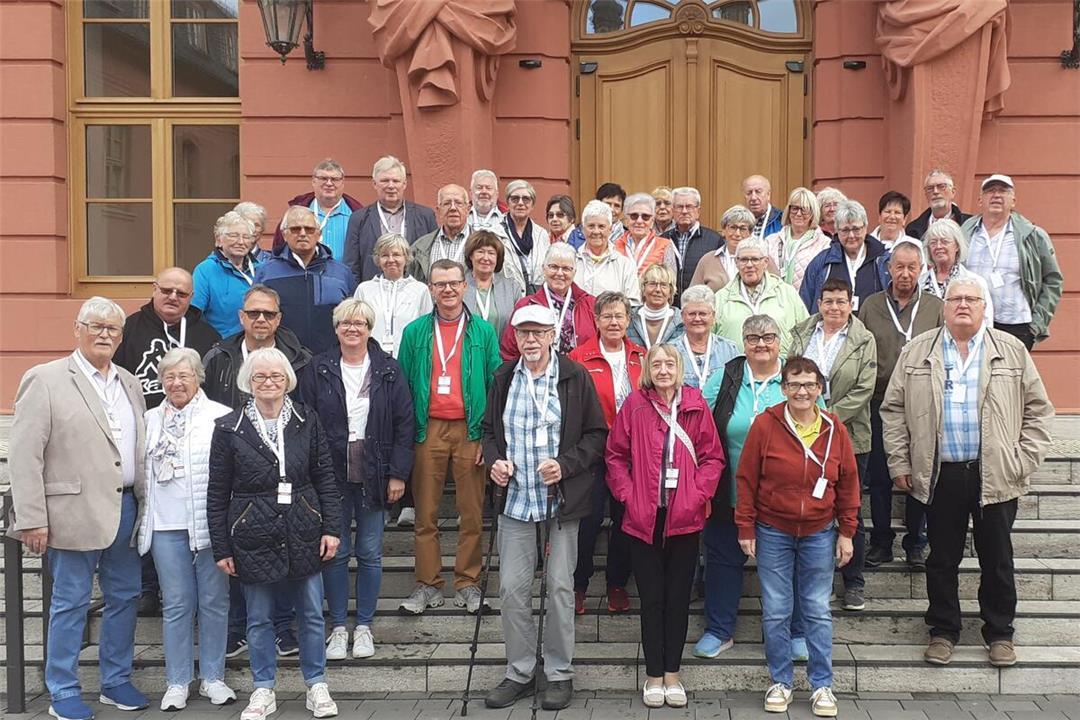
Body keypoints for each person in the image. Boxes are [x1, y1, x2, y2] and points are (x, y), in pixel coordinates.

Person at [881, 279, 1053, 668]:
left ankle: (1000, 634)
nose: (962, 305)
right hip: (940, 473)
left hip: (995, 473)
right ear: (944, 306)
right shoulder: (917, 351)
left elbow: (1039, 411)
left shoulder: (1011, 351)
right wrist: (901, 462)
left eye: (971, 299)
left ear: (983, 306)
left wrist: (1021, 460)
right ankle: (943, 631)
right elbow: (892, 410)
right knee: (941, 557)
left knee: (997, 558)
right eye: (955, 298)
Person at [8, 297, 149, 720]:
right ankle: (63, 688)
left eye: (113, 329)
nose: (105, 334)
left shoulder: (129, 381)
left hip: (125, 508)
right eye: (96, 326)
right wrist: (31, 517)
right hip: (71, 512)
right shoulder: (46, 378)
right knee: (69, 602)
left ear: (121, 336)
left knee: (124, 597)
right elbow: (25, 454)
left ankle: (115, 680)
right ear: (78, 328)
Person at [482, 305, 609, 711]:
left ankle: (559, 672)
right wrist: (494, 460)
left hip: (560, 501)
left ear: (554, 334)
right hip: (515, 500)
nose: (531, 341)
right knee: (511, 588)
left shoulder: (575, 376)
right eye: (524, 334)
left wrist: (566, 464)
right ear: (515, 338)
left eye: (538, 333)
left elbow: (596, 435)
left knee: (558, 587)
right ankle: (520, 670)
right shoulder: (503, 376)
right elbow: (487, 431)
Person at [207, 348, 342, 720]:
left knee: (312, 614)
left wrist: (331, 526)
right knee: (259, 618)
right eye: (260, 377)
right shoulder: (228, 427)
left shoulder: (306, 419)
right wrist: (222, 546)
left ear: (288, 381)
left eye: (276, 377)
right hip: (252, 532)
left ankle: (317, 684)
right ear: (247, 383)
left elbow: (324, 478)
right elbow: (217, 492)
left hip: (303, 524)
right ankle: (263, 689)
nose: (269, 383)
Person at [736, 357, 860, 718]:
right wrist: (746, 526)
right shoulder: (765, 425)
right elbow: (746, 479)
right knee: (776, 610)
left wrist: (847, 532)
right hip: (773, 529)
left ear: (820, 388)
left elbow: (849, 483)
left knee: (818, 610)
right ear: (783, 388)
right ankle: (781, 681)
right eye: (794, 385)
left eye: (809, 384)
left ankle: (822, 685)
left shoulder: (834, 429)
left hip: (820, 532)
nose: (802, 391)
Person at [606, 343, 724, 709]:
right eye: (655, 363)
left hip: (684, 519)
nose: (662, 369)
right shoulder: (635, 406)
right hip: (645, 517)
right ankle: (653, 674)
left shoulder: (695, 404)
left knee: (677, 600)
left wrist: (694, 495)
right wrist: (629, 495)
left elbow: (712, 458)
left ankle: (673, 673)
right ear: (647, 370)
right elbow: (615, 456)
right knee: (652, 599)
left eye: (669, 363)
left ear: (679, 367)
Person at [298, 299, 415, 661]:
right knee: (335, 552)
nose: (353, 328)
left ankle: (363, 625)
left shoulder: (389, 371)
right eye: (346, 323)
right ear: (336, 328)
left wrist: (398, 474)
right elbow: (304, 423)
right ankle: (336, 626)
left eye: (360, 323)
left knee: (369, 551)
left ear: (370, 328)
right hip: (329, 472)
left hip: (374, 471)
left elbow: (404, 425)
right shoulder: (317, 370)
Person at [200, 284, 310, 658]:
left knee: (283, 551)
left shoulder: (299, 358)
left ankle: (282, 628)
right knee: (241, 552)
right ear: (241, 317)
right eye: (253, 313)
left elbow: (305, 421)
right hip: (237, 471)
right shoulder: (218, 357)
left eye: (268, 314)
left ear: (279, 319)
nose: (260, 320)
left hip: (286, 477)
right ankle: (237, 628)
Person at [696, 315, 807, 660]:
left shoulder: (794, 378)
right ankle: (719, 629)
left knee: (787, 565)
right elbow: (699, 421)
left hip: (782, 494)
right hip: (728, 489)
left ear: (780, 342)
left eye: (769, 337)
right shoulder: (726, 377)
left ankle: (795, 631)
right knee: (722, 560)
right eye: (753, 337)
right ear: (743, 342)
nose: (761, 343)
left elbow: (816, 426)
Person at [396, 259, 502, 615]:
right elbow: (404, 387)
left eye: (454, 283)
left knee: (471, 513)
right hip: (428, 429)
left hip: (470, 430)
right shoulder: (415, 332)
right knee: (425, 513)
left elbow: (494, 385)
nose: (448, 290)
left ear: (465, 286)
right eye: (440, 284)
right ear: (430, 289)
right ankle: (428, 584)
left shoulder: (484, 332)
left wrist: (489, 441)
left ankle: (468, 583)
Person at [138, 348, 235, 710]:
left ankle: (213, 677)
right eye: (170, 377)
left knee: (214, 602)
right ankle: (177, 681)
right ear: (161, 381)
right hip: (165, 525)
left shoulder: (220, 417)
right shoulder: (148, 419)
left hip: (209, 525)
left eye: (184, 376)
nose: (177, 383)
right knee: (177, 603)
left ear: (198, 378)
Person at [789, 279, 877, 612]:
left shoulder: (863, 339)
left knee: (849, 509)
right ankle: (815, 581)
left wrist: (826, 417)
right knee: (812, 508)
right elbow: (791, 376)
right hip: (803, 437)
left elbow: (864, 389)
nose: (834, 308)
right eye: (828, 301)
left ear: (851, 304)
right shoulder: (801, 333)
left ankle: (854, 581)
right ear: (819, 303)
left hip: (850, 437)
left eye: (841, 302)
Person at [858, 239, 943, 568]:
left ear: (921, 270)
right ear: (888, 268)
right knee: (880, 475)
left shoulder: (936, 307)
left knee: (920, 474)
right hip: (880, 403)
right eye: (899, 266)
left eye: (912, 267)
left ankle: (915, 542)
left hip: (922, 404)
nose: (905, 273)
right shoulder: (871, 305)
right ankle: (881, 541)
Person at [568, 292, 643, 615]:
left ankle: (617, 584)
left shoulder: (642, 356)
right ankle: (578, 583)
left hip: (632, 453)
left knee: (627, 519)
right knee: (589, 519)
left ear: (629, 321)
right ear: (596, 321)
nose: (614, 322)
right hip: (592, 452)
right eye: (607, 316)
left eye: (620, 316)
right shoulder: (577, 358)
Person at [961, 173, 1063, 349]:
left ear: (1013, 201)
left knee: (1011, 377)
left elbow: (1053, 280)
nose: (996, 195)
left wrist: (1036, 325)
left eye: (1003, 191)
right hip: (972, 324)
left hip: (1016, 326)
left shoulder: (1033, 235)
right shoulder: (964, 234)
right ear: (980, 201)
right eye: (990, 191)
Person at [254, 206, 358, 355]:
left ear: (319, 234)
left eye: (309, 229)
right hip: (282, 360)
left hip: (330, 361)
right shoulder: (266, 273)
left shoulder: (341, 273)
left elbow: (353, 317)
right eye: (295, 229)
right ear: (284, 234)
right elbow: (255, 316)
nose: (302, 234)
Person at [115, 267, 221, 410]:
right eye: (166, 291)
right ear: (154, 289)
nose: (173, 297)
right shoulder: (128, 329)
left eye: (182, 294)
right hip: (143, 421)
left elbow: (215, 388)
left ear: (191, 296)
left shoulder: (208, 336)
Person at [342, 155, 438, 282]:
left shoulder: (425, 216)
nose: (391, 186)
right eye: (385, 181)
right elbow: (352, 265)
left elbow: (433, 260)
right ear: (374, 184)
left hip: (415, 292)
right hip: (374, 293)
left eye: (396, 181)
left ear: (404, 184)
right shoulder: (358, 219)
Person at [712, 237, 809, 356]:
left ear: (766, 262)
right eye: (743, 260)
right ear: (736, 262)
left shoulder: (787, 293)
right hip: (735, 371)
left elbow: (805, 333)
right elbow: (710, 340)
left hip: (781, 369)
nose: (749, 265)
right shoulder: (721, 298)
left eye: (755, 259)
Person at [502, 243, 598, 360]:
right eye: (553, 267)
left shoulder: (590, 304)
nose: (559, 273)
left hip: (582, 375)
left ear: (575, 272)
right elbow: (509, 352)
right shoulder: (526, 306)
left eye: (566, 268)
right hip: (537, 375)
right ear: (543, 268)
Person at [800, 200, 890, 314]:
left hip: (872, 330)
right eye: (845, 230)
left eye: (856, 229)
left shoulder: (883, 261)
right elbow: (804, 305)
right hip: (831, 329)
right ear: (837, 230)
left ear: (865, 227)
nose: (851, 235)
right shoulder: (822, 262)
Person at [353, 232, 433, 358]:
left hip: (409, 359)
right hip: (371, 360)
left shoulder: (420, 290)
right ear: (378, 259)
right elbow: (356, 327)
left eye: (396, 254)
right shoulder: (364, 289)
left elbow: (427, 330)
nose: (391, 260)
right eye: (385, 255)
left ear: (406, 258)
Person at [270, 159, 363, 257]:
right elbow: (279, 250)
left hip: (346, 272)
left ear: (343, 182)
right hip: (303, 272)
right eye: (323, 178)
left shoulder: (358, 214)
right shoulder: (296, 213)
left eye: (335, 179)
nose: (329, 183)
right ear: (313, 181)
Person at [192, 211, 264, 338]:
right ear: (218, 240)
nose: (241, 242)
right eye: (233, 236)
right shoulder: (205, 271)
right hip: (221, 349)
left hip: (258, 345)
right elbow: (194, 315)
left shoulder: (262, 269)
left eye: (246, 237)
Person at [920, 219, 995, 322]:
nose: (938, 246)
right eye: (933, 243)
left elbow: (986, 319)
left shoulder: (975, 282)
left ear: (957, 246)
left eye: (944, 241)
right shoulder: (921, 282)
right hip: (929, 337)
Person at [574, 199, 641, 302]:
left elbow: (633, 305)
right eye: (591, 226)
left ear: (610, 230)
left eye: (601, 226)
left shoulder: (625, 265)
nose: (596, 231)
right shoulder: (571, 262)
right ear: (583, 229)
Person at [764, 187, 831, 290]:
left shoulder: (824, 244)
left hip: (805, 303)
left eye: (804, 209)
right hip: (774, 302)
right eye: (795, 208)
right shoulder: (771, 241)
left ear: (813, 213)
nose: (798, 213)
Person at [662, 186, 722, 298]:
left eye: (689, 207)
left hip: (700, 306)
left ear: (698, 211)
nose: (684, 211)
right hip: (669, 307)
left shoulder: (715, 240)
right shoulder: (663, 239)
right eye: (679, 207)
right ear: (673, 210)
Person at [463, 229, 524, 338]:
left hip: (501, 352)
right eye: (480, 252)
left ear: (498, 259)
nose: (485, 258)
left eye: (491, 253)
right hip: (467, 352)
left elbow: (519, 325)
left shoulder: (512, 288)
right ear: (471, 255)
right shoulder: (459, 286)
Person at [408, 184, 471, 282]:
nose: (453, 208)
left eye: (458, 203)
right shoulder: (419, 247)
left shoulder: (484, 245)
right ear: (438, 210)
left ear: (468, 209)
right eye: (447, 203)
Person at [502, 179, 552, 293]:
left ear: (532, 205)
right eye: (515, 199)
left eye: (526, 199)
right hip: (507, 295)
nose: (520, 203)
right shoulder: (495, 233)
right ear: (508, 203)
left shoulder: (541, 234)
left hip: (536, 298)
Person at [690, 205, 755, 292]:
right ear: (723, 231)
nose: (737, 234)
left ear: (750, 233)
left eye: (743, 229)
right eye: (733, 227)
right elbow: (693, 296)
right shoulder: (707, 260)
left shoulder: (761, 259)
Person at [612, 192, 677, 276]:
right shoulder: (614, 245)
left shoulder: (665, 245)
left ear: (652, 220)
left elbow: (670, 281)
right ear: (626, 219)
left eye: (645, 216)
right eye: (634, 216)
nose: (639, 221)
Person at [627, 263, 683, 349]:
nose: (657, 289)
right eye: (652, 284)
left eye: (663, 285)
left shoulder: (681, 321)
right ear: (643, 288)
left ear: (670, 291)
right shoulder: (628, 318)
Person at [906, 169, 971, 239]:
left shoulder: (970, 225)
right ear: (926, 195)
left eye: (941, 186)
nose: (935, 192)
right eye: (930, 188)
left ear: (953, 192)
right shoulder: (913, 230)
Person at [467, 169, 508, 238]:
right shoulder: (461, 215)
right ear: (471, 193)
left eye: (488, 188)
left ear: (497, 193)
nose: (484, 191)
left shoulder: (507, 216)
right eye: (479, 188)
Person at [743, 174, 783, 240]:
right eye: (749, 193)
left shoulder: (782, 220)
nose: (753, 197)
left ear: (768, 195)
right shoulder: (737, 221)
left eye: (758, 192)